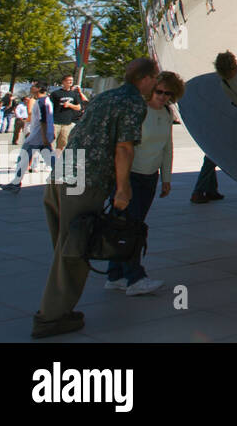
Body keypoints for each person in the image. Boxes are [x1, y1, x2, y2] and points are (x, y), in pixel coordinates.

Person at [32, 57, 159, 339]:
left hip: (63, 174)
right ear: (147, 78)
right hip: (85, 178)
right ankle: (50, 317)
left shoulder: (105, 97)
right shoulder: (134, 102)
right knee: (75, 248)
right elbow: (124, 147)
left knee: (64, 244)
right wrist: (124, 188)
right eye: (155, 80)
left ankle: (57, 309)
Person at [105, 71, 181, 296]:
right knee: (130, 229)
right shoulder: (138, 111)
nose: (163, 97)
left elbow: (167, 147)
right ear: (151, 90)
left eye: (168, 93)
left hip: (149, 177)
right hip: (130, 176)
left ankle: (116, 275)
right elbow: (123, 146)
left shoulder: (166, 113)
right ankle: (135, 278)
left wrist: (166, 178)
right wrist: (121, 183)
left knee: (130, 227)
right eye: (159, 92)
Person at [1, 84, 54, 191]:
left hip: (37, 136)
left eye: (33, 86)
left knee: (23, 157)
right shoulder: (45, 101)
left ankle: (16, 183)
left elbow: (43, 121)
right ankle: (66, 177)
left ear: (39, 88)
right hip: (40, 135)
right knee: (49, 158)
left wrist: (44, 137)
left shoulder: (42, 102)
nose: (31, 88)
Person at [48, 74, 88, 151]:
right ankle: (50, 159)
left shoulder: (74, 94)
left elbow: (79, 107)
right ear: (63, 82)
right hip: (55, 122)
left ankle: (58, 159)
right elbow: (50, 107)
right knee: (51, 142)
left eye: (71, 80)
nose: (70, 82)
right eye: (68, 80)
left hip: (67, 123)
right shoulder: (55, 93)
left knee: (63, 143)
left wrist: (70, 105)